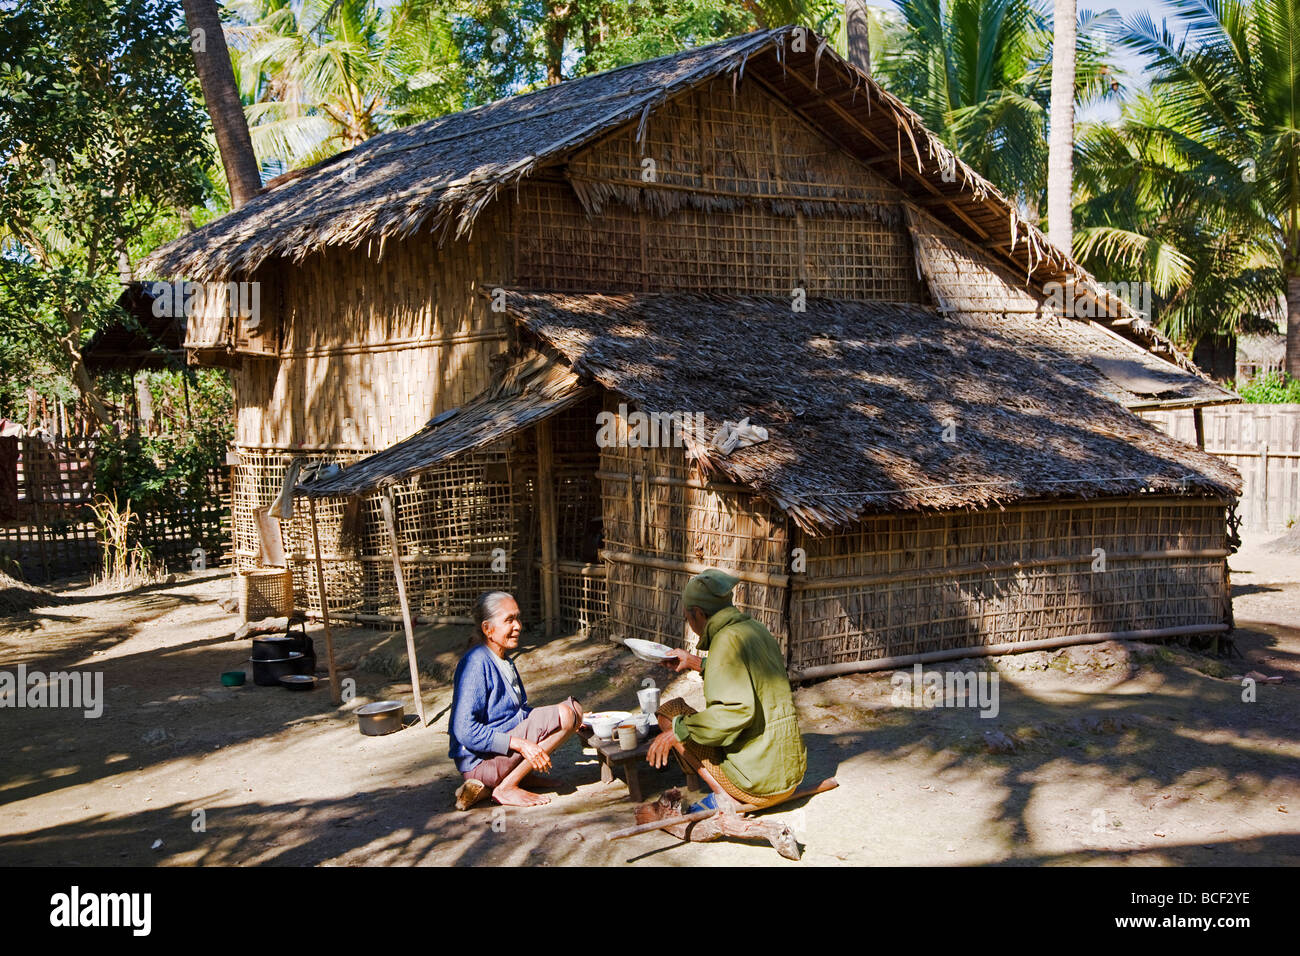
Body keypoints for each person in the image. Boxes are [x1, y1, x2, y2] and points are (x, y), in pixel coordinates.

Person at [646, 569, 807, 809]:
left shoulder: (724, 642)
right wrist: (695, 662)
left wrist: (678, 732)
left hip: (757, 785)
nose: (690, 623)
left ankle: (725, 796)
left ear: (699, 613)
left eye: (688, 617)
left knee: (671, 713)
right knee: (683, 720)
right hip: (789, 778)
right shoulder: (756, 628)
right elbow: (745, 673)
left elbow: (735, 712)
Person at [449, 591, 583, 809]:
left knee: (573, 711)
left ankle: (520, 777)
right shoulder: (476, 663)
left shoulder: (503, 659)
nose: (518, 626)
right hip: (480, 763)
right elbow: (464, 730)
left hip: (497, 755)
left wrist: (565, 720)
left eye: (518, 618)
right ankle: (506, 787)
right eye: (509, 620)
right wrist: (520, 744)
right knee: (566, 714)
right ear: (487, 629)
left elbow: (517, 713)